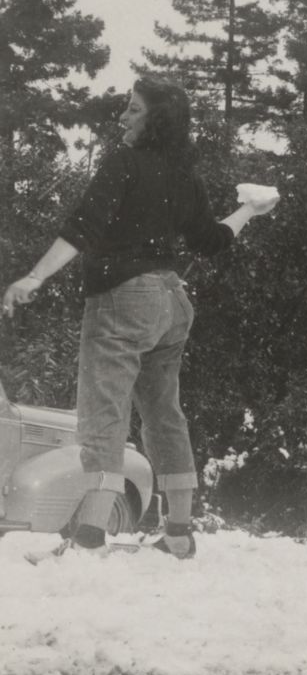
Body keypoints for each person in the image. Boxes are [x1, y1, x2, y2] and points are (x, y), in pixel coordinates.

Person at [2, 79, 277, 561]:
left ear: (156, 120)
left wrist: (34, 276)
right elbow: (211, 241)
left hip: (122, 301)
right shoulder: (183, 174)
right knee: (164, 413)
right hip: (172, 303)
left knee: (104, 413)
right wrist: (249, 210)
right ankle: (178, 532)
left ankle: (89, 536)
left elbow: (82, 227)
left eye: (133, 110)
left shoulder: (124, 164)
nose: (122, 118)